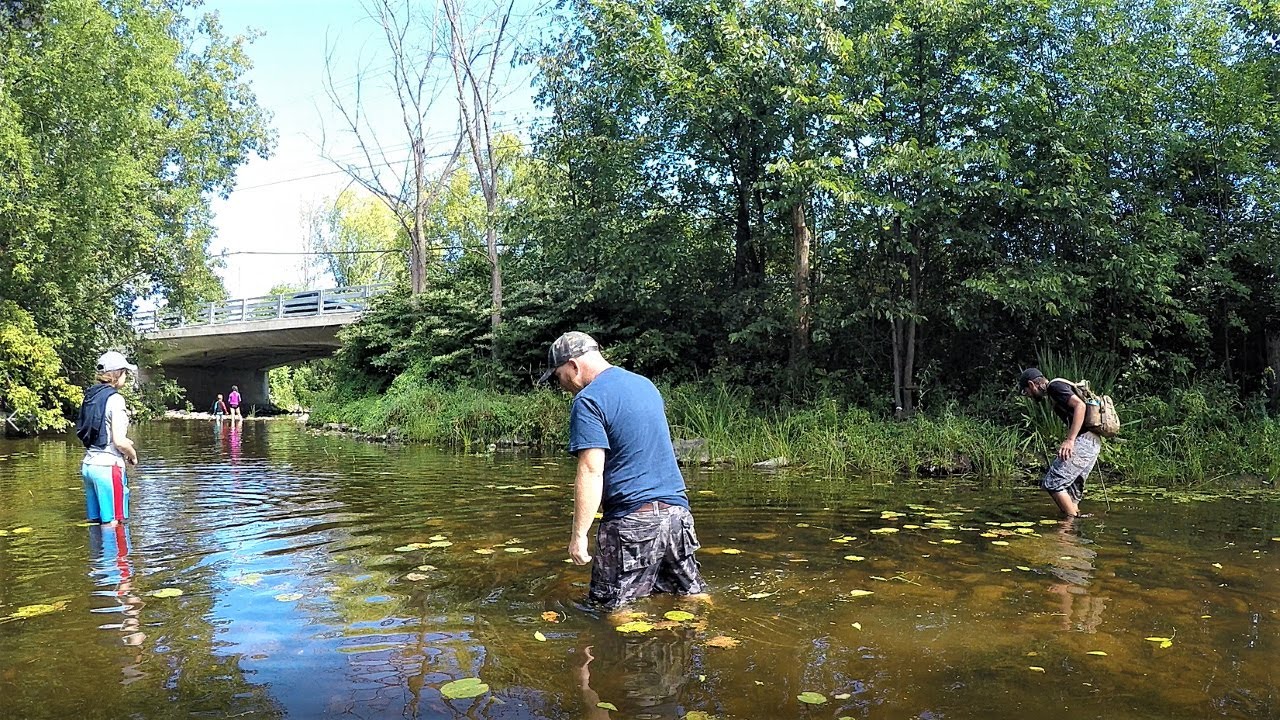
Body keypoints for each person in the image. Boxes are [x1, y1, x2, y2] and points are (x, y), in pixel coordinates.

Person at [540, 331, 708, 610]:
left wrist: (579, 535)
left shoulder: (588, 400)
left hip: (631, 523)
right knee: (692, 597)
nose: (561, 385)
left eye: (558, 376)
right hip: (677, 517)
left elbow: (592, 470)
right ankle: (710, 643)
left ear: (573, 366)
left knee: (612, 610)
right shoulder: (645, 386)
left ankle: (619, 654)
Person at [1018, 367, 1101, 518]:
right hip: (1092, 442)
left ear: (1032, 384)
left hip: (1084, 441)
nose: (1028, 396)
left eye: (1026, 392)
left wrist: (1070, 440)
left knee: (1052, 483)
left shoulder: (1055, 387)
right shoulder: (1056, 390)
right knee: (1072, 492)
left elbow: (1080, 406)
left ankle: (1072, 524)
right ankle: (1069, 535)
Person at [76, 351, 139, 527]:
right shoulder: (116, 399)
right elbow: (119, 442)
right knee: (113, 523)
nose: (126, 376)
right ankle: (114, 556)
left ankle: (97, 555)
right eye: (125, 372)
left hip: (89, 466)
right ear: (117, 374)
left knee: (96, 522)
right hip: (107, 468)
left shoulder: (91, 396)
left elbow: (97, 430)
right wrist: (132, 455)